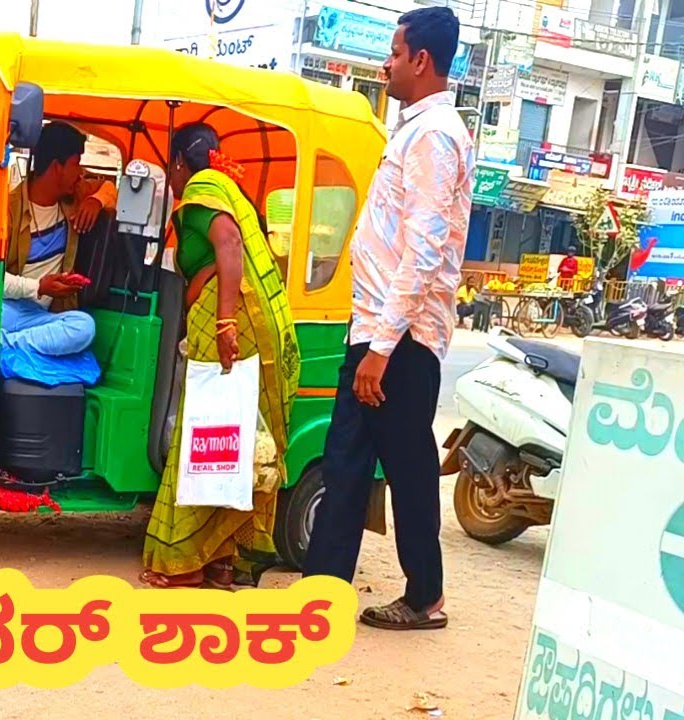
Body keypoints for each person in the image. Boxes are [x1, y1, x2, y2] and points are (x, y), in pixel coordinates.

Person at [302, 7, 472, 630]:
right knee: (345, 461)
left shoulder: (435, 136)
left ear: (421, 60)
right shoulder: (415, 131)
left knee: (408, 470)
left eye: (395, 53)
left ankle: (425, 597)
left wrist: (381, 349)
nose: (386, 64)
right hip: (376, 332)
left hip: (399, 341)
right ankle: (321, 594)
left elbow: (424, 250)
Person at [140, 122, 301, 590]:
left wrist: (224, 323)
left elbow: (229, 244)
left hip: (230, 327)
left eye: (171, 169)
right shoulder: (231, 191)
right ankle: (221, 561)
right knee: (227, 439)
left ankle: (185, 560)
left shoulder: (202, 188)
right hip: (251, 327)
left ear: (178, 163)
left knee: (203, 433)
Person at [1, 122, 115, 358]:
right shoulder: (8, 210)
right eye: (76, 164)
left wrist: (96, 201)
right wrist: (38, 287)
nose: (80, 172)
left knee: (84, 326)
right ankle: (8, 341)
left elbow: (110, 188)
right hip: (6, 308)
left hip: (41, 317)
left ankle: (4, 343)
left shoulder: (75, 194)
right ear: (56, 167)